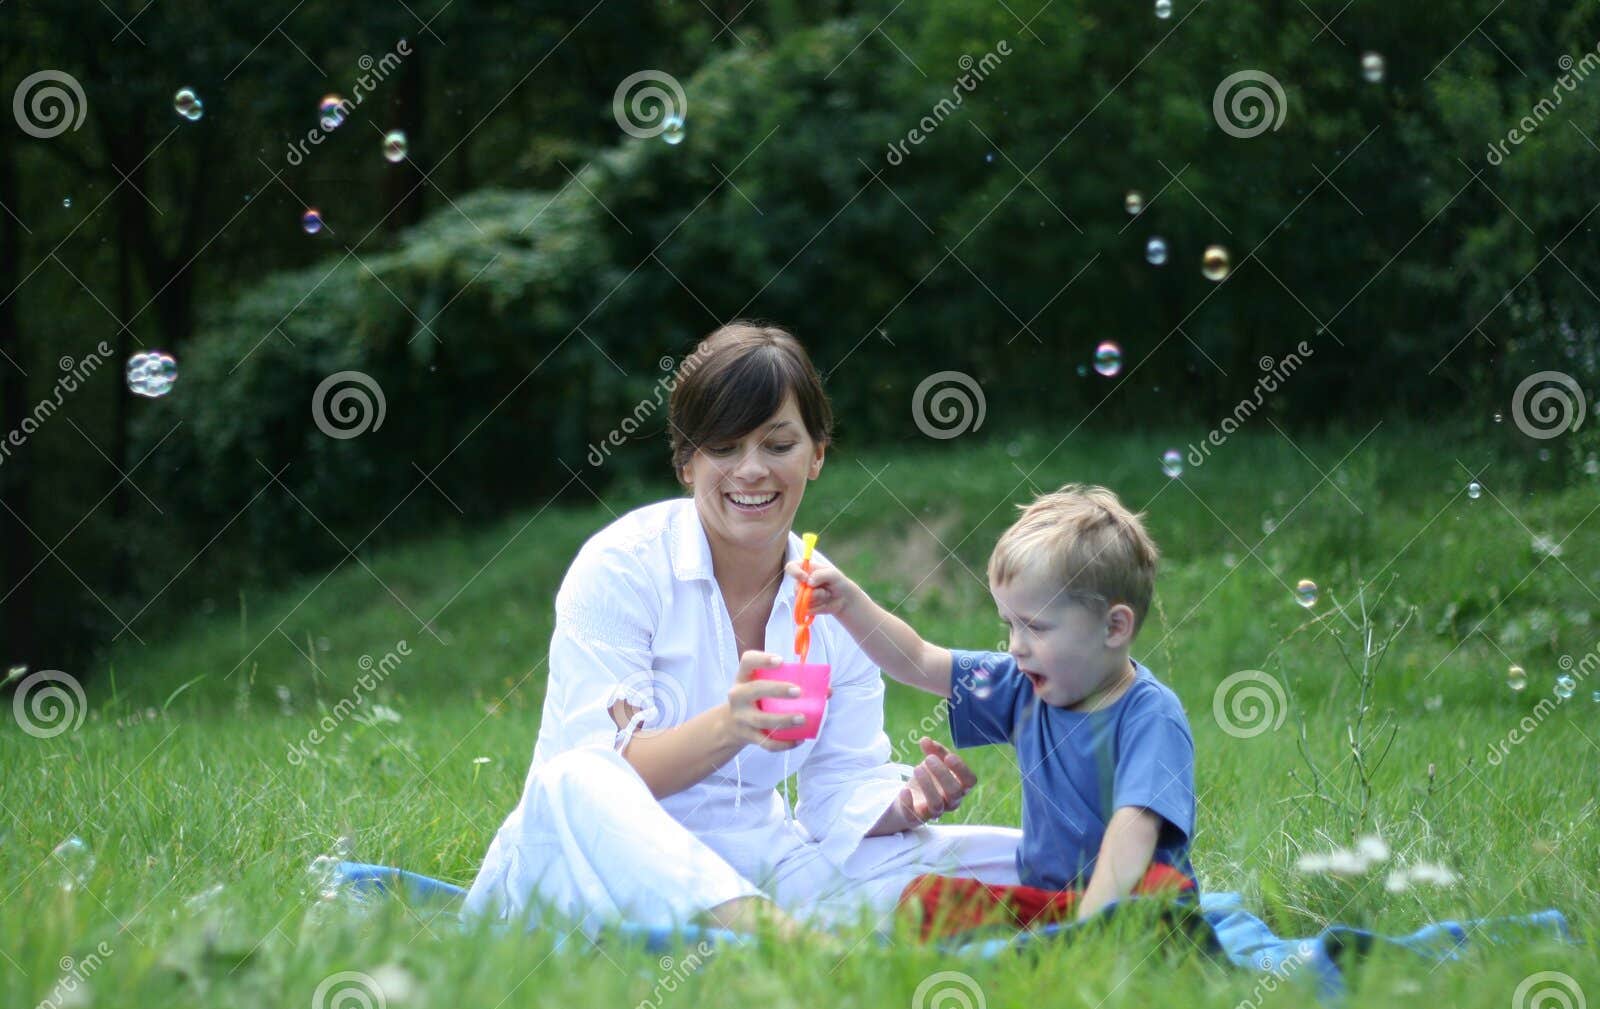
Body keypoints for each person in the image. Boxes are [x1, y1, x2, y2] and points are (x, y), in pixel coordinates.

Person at [463, 321, 1021, 937]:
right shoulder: (621, 566)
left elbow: (838, 789)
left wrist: (908, 801)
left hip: (759, 866)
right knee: (577, 775)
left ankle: (1115, 885)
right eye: (724, 449)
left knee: (1000, 857)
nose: (751, 471)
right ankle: (794, 947)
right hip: (585, 873)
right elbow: (609, 779)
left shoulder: (832, 601)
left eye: (778, 445)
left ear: (817, 455)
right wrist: (732, 726)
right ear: (686, 463)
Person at [787, 483, 1196, 927]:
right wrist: (849, 605)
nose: (1016, 647)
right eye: (1010, 625)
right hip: (1047, 898)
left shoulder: (1149, 716)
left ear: (1114, 627)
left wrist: (1091, 928)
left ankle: (1074, 939)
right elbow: (920, 660)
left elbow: (1133, 831)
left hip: (1138, 905)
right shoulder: (1023, 685)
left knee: (1155, 911)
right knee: (927, 903)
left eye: (1036, 628)